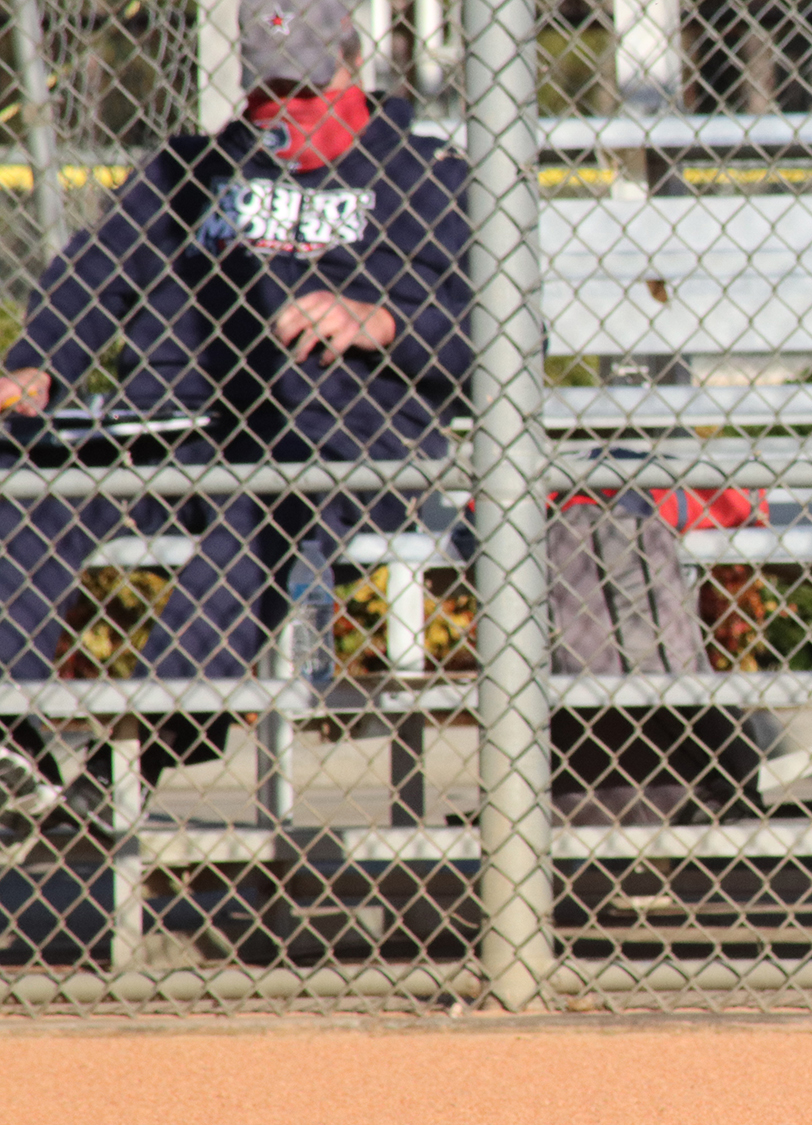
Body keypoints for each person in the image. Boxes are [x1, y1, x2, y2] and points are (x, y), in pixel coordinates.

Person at [0, 0, 470, 829]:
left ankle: (132, 760)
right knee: (24, 488)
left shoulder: (424, 177)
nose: (281, 111)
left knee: (257, 518)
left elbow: (486, 336)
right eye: (264, 91)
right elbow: (86, 282)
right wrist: (36, 364)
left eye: (303, 87)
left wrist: (381, 320)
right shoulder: (189, 170)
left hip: (335, 449)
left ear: (353, 65)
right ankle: (14, 744)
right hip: (168, 430)